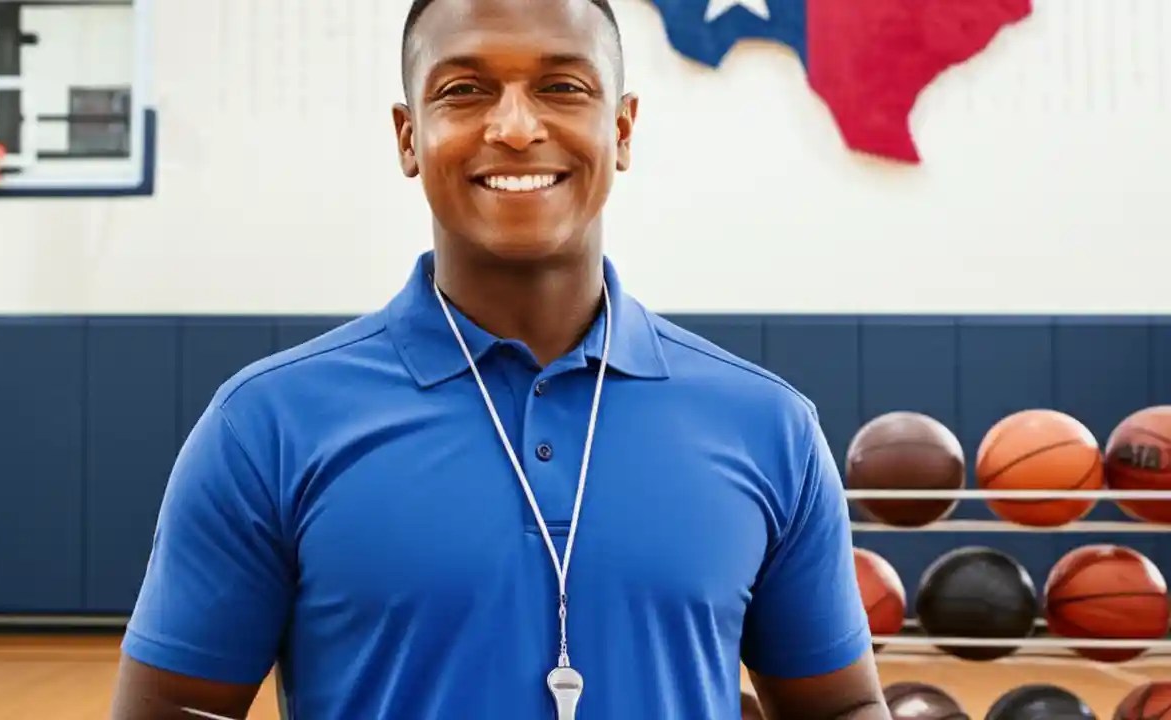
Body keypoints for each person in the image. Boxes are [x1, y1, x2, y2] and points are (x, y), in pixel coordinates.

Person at [109, 0, 889, 717]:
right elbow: (175, 709)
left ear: (621, 131)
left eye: (562, 87)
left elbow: (839, 708)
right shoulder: (266, 427)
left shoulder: (767, 426)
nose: (515, 127)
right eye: (464, 91)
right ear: (408, 136)